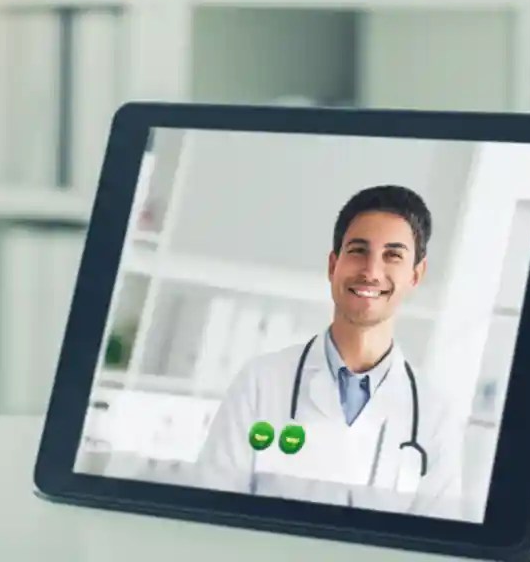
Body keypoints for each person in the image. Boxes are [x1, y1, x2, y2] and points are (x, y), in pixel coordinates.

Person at [194, 185, 465, 519]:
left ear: (415, 275)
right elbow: (208, 513)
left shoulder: (435, 415)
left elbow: (437, 545)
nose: (371, 271)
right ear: (333, 265)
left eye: (392, 255)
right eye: (358, 250)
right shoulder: (260, 382)